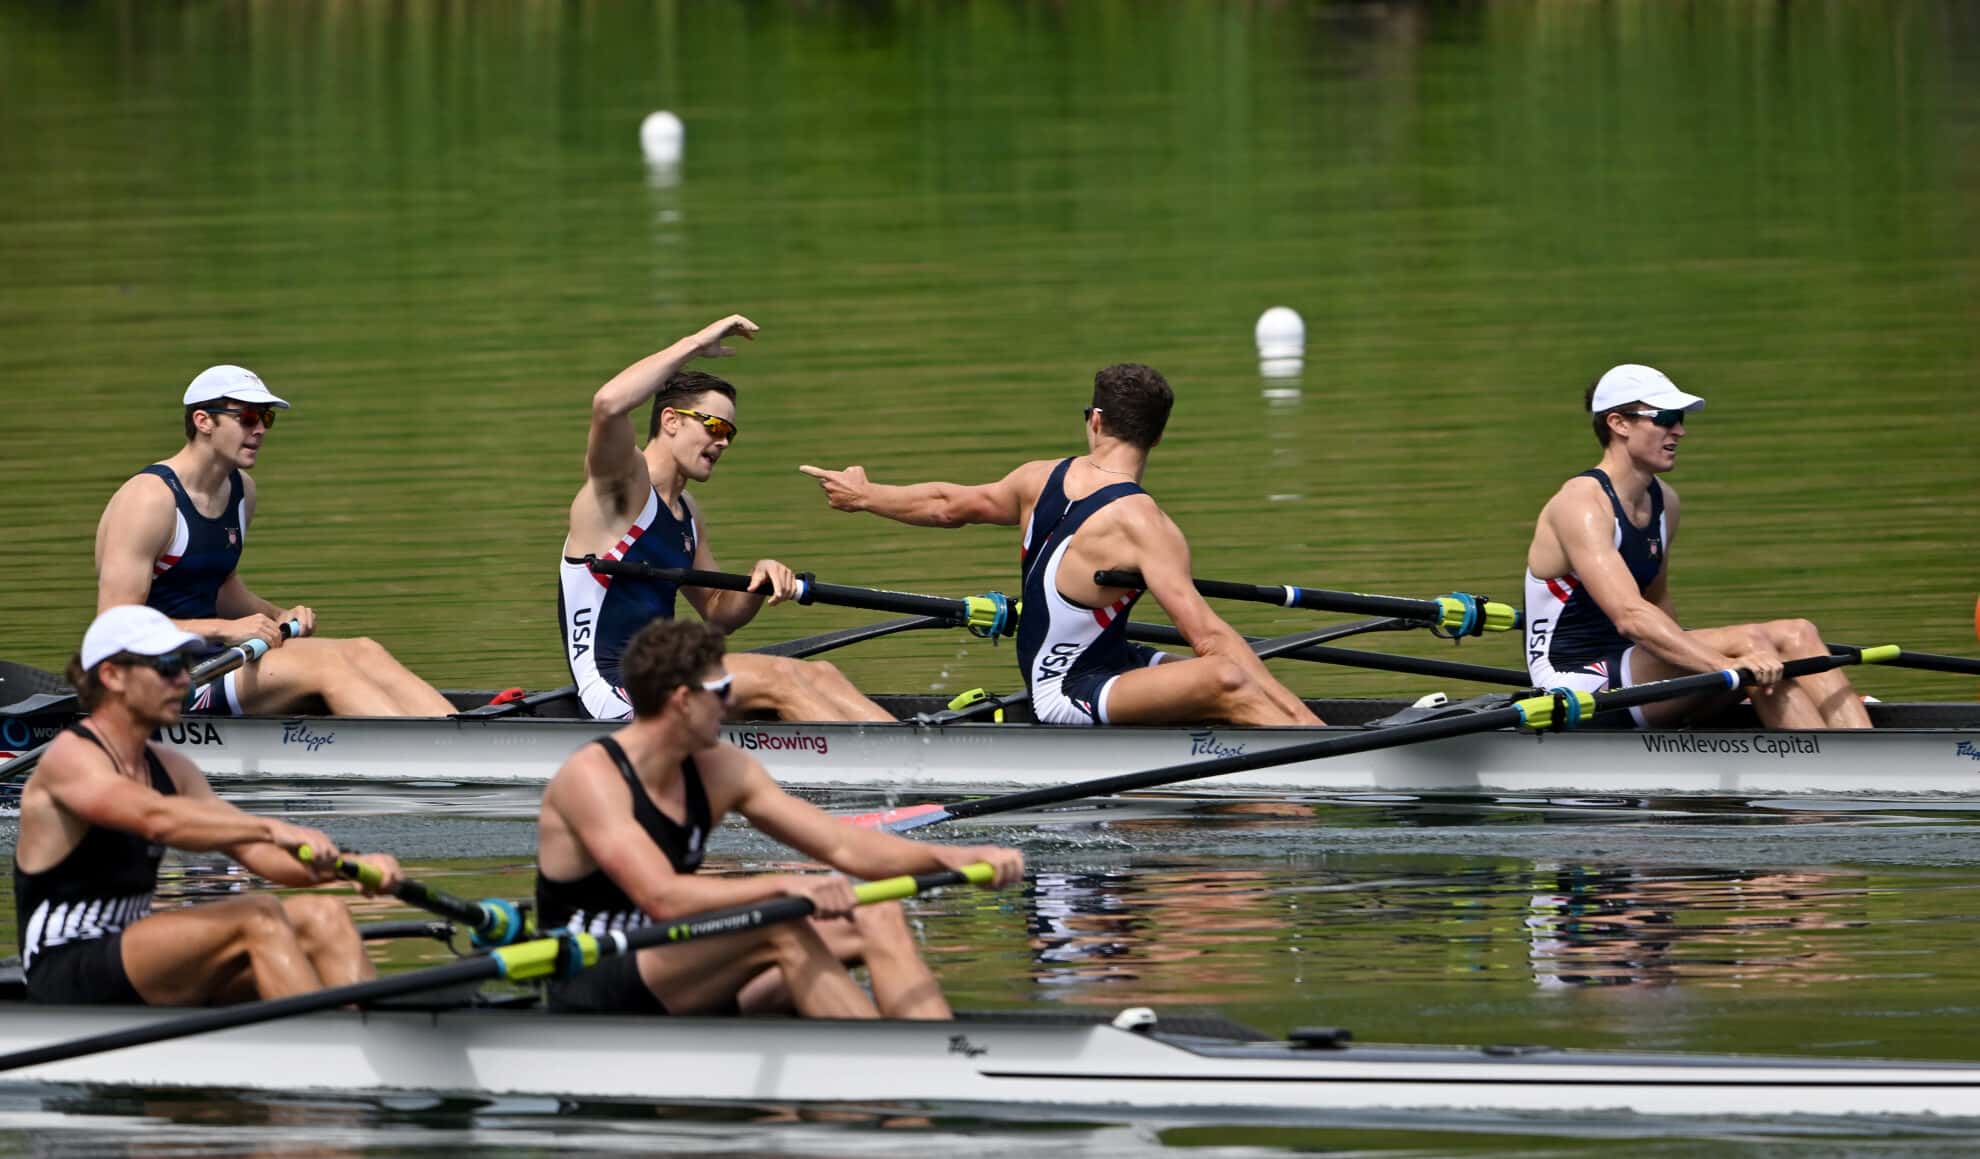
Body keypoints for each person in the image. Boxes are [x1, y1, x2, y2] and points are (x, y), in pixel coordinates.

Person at [535, 619, 1023, 1017]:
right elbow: (663, 897)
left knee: (876, 911)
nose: (732, 704)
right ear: (684, 701)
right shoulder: (593, 779)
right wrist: (785, 887)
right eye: (722, 690)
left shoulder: (721, 769)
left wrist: (954, 857)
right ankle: (884, 1079)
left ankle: (937, 1054)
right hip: (596, 973)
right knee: (781, 924)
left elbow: (842, 847)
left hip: (680, 961)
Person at [800, 363, 1321, 727]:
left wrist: (867, 496)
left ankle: (1287, 746)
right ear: (1158, 437)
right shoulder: (1149, 525)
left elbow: (946, 504)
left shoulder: (1037, 478)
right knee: (1227, 674)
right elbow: (1208, 639)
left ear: (1095, 420)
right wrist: (1308, 720)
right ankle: (1322, 749)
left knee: (1226, 673)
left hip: (1113, 661)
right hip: (1065, 692)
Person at [12, 605, 403, 1005]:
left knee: (325, 917)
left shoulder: (172, 768)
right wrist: (271, 827)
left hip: (136, 954)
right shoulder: (69, 758)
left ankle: (366, 1038)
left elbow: (257, 853)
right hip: (67, 965)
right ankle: (328, 1050)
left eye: (183, 663)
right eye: (166, 666)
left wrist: (350, 865)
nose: (183, 678)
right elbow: (156, 818)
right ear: (112, 676)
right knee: (257, 915)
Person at [559, 315, 891, 722]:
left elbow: (719, 614)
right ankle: (889, 768)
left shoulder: (688, 512)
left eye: (730, 433)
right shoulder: (622, 488)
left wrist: (758, 579)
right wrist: (695, 342)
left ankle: (915, 752)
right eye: (714, 426)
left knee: (822, 674)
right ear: (671, 420)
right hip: (614, 692)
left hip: (662, 677)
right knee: (781, 677)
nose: (722, 442)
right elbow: (608, 404)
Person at [1522, 363, 1872, 729]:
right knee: (1753, 645)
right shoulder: (1581, 504)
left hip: (1636, 668)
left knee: (1798, 633)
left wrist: (1711, 671)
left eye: (1681, 418)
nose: (1680, 430)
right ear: (1618, 424)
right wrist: (1724, 667)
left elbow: (1657, 605)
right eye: (1666, 417)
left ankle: (1862, 751)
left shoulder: (1665, 503)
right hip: (1573, 686)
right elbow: (1631, 617)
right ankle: (1831, 765)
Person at [92, 365, 453, 717]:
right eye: (247, 418)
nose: (261, 429)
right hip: (155, 679)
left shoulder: (241, 491)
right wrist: (226, 628)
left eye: (267, 418)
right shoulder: (148, 500)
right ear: (203, 421)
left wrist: (277, 615)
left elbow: (219, 586)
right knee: (327, 666)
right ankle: (429, 755)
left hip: (214, 660)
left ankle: (460, 733)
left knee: (364, 650)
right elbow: (115, 627)